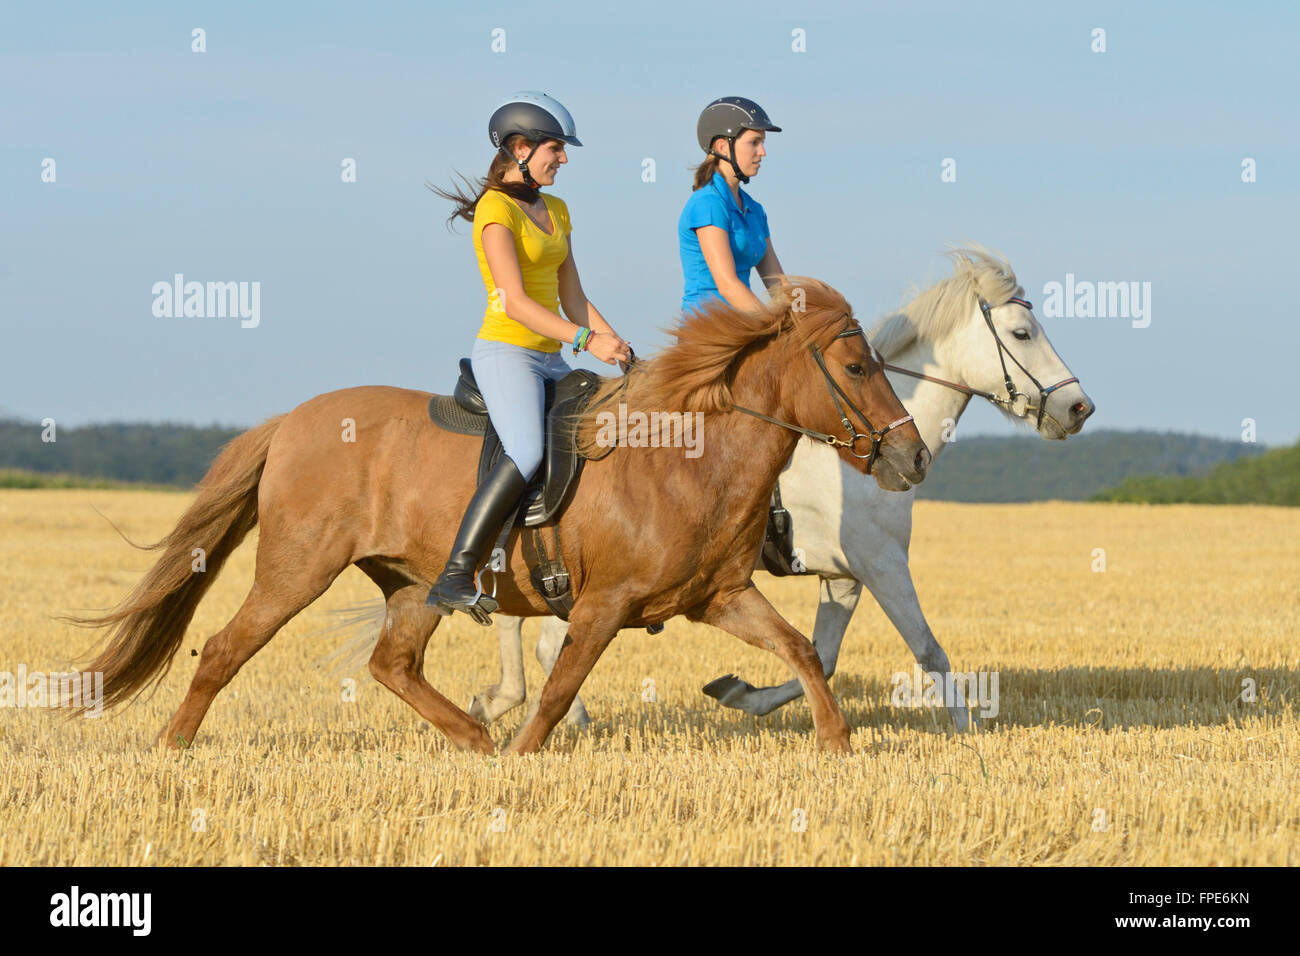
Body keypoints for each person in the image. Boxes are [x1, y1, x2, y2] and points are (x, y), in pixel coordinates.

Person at [426, 91, 631, 618]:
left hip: (551, 356)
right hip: (507, 353)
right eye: (556, 148)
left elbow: (574, 297)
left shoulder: (556, 209)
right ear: (520, 147)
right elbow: (515, 302)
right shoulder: (494, 211)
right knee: (527, 450)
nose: (563, 158)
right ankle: (455, 573)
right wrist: (586, 342)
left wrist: (620, 347)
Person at [678, 97, 787, 315]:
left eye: (763, 143)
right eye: (754, 142)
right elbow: (728, 285)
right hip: (707, 331)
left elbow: (779, 285)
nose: (762, 152)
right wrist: (773, 327)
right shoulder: (708, 204)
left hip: (743, 325)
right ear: (722, 147)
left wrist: (805, 318)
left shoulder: (755, 209)